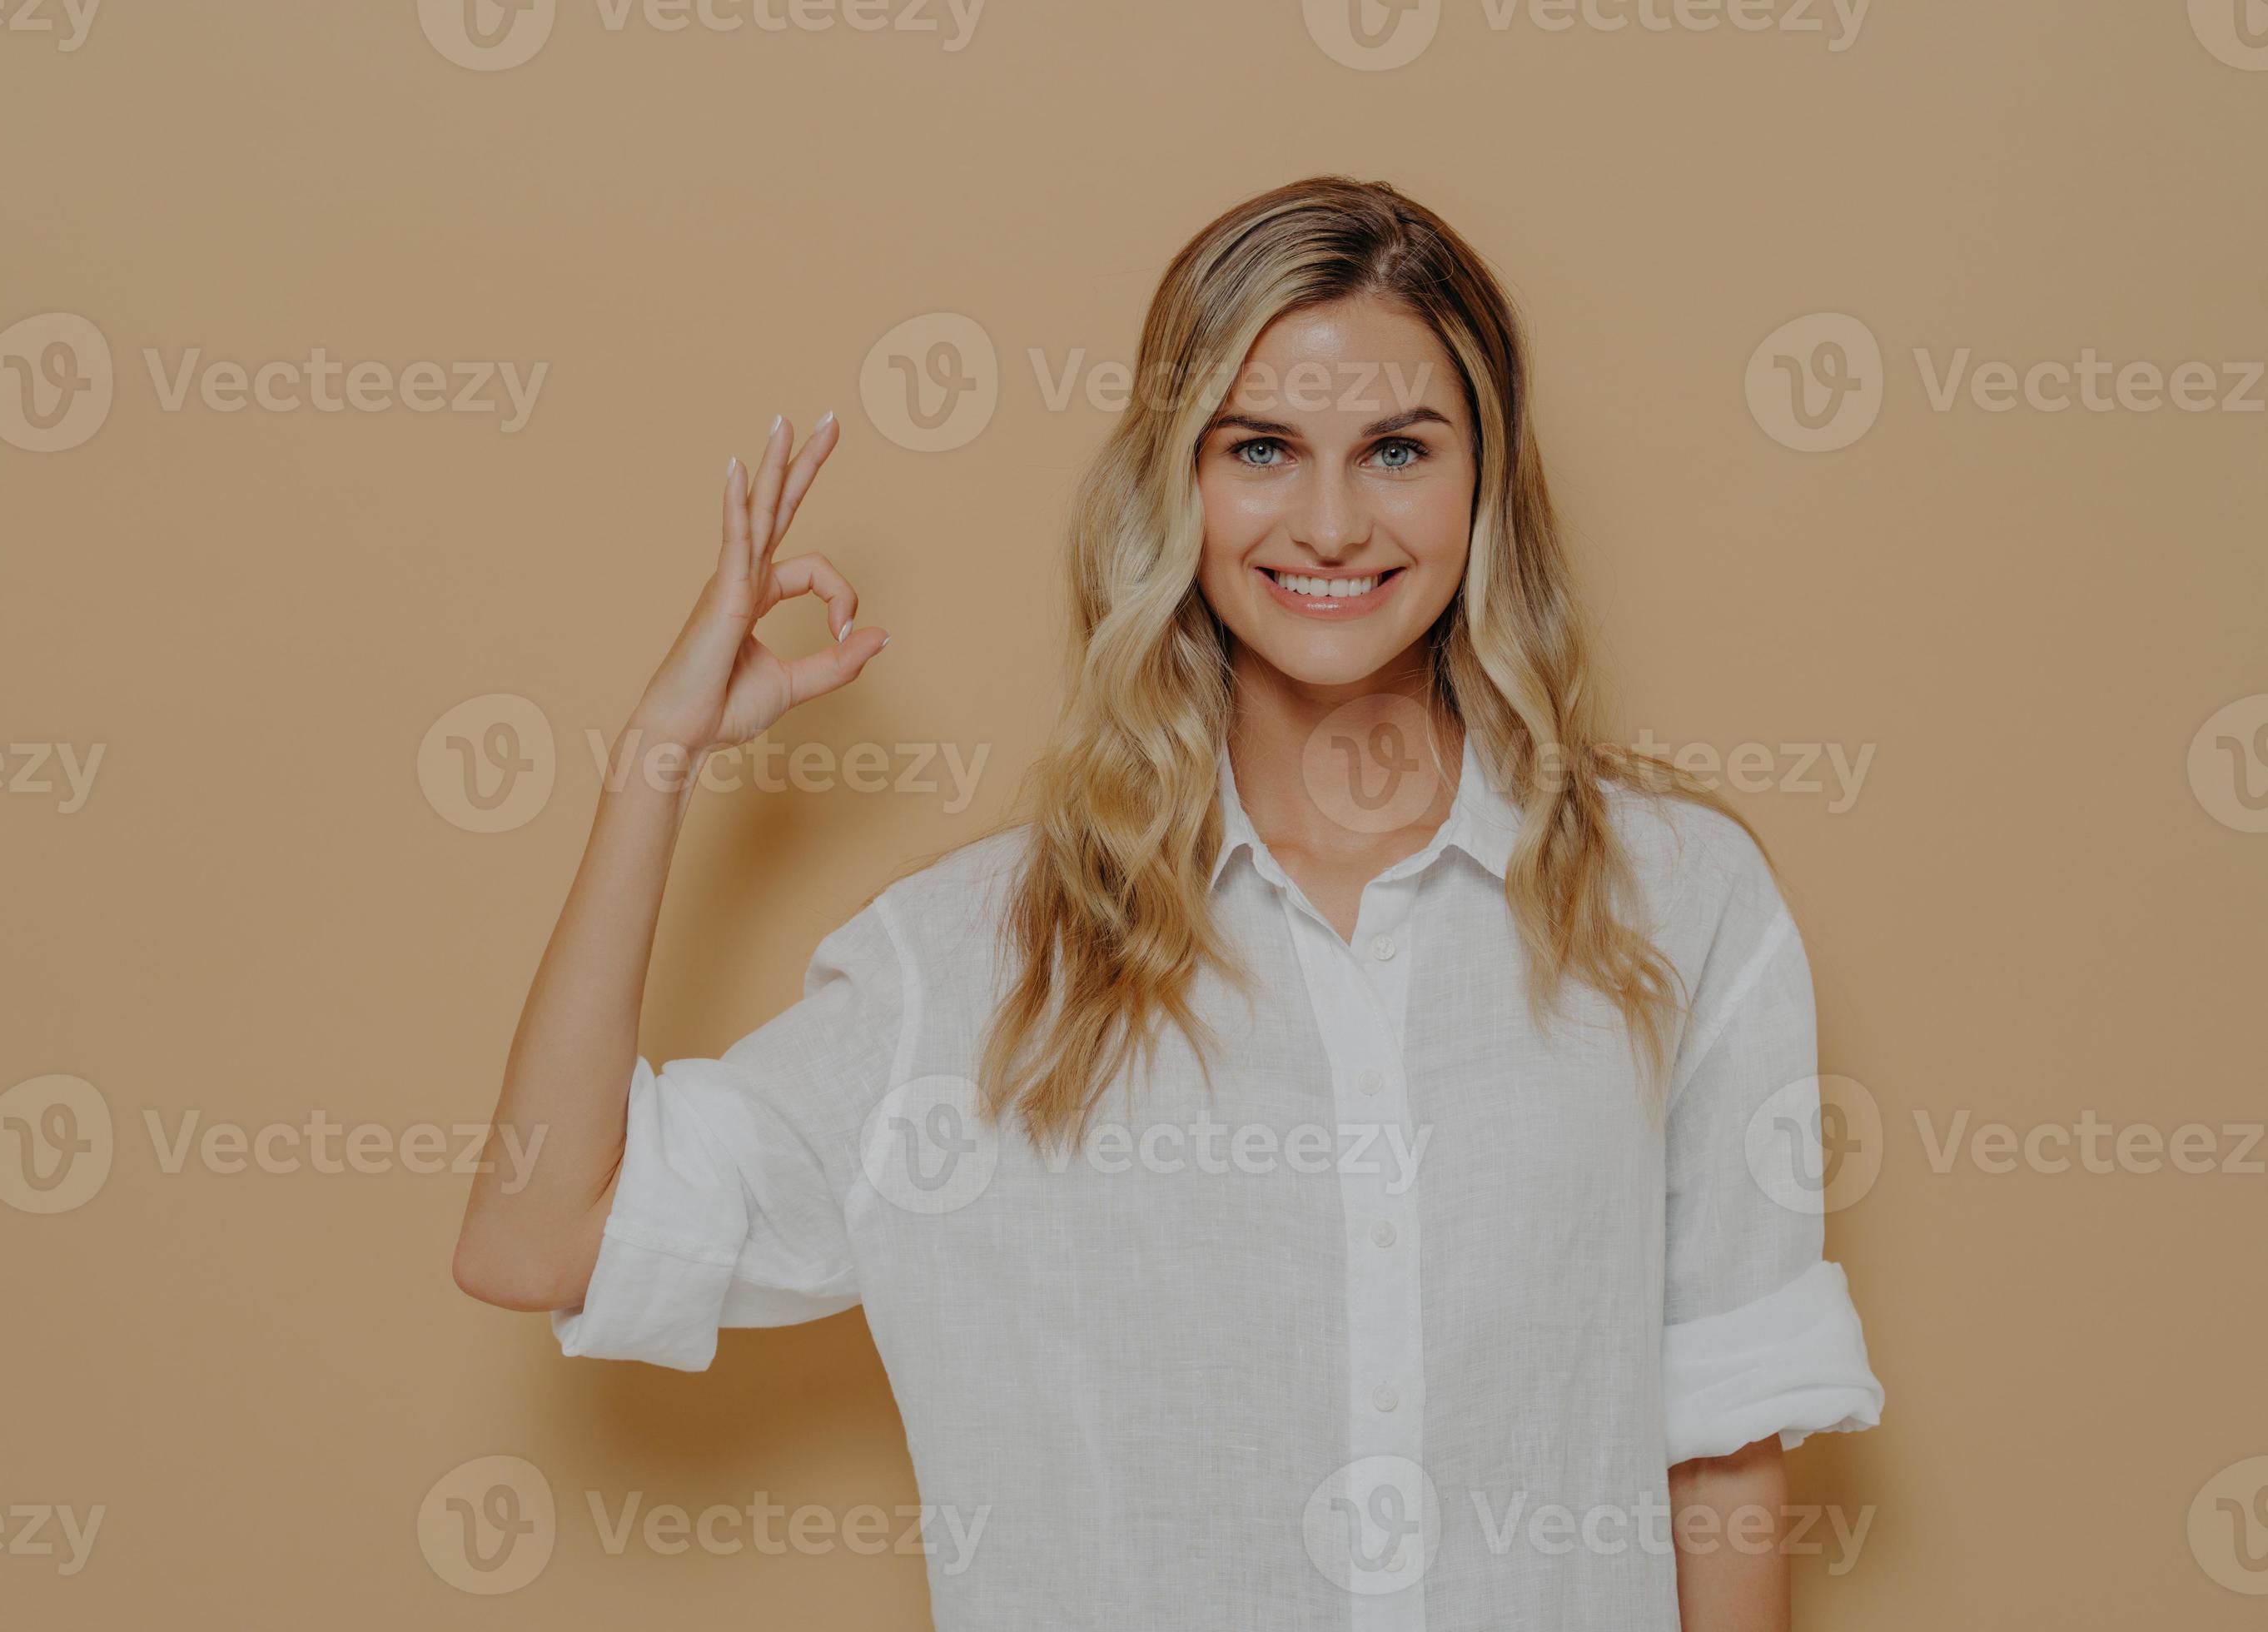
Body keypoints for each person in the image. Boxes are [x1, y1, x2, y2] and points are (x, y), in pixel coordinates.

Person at [452, 175, 1884, 1630]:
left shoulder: (1679, 908)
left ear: (1486, 485)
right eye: (1260, 447)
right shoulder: (971, 964)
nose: (1330, 523)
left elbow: (1724, 1451)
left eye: (1398, 449)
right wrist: (656, 759)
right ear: (1174, 484)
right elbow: (537, 1236)